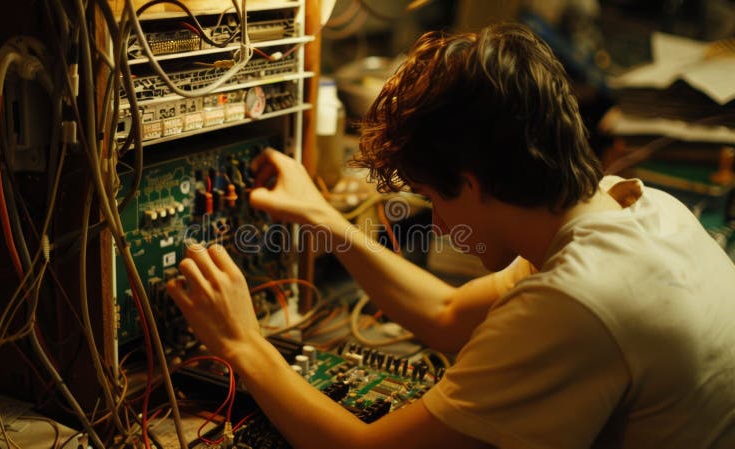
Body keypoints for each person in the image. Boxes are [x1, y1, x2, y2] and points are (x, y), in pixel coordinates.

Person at [167, 22, 735, 449]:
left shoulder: (577, 303)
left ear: (471, 182)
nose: (437, 224)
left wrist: (244, 343)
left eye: (435, 199)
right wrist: (326, 221)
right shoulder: (629, 204)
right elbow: (447, 314)